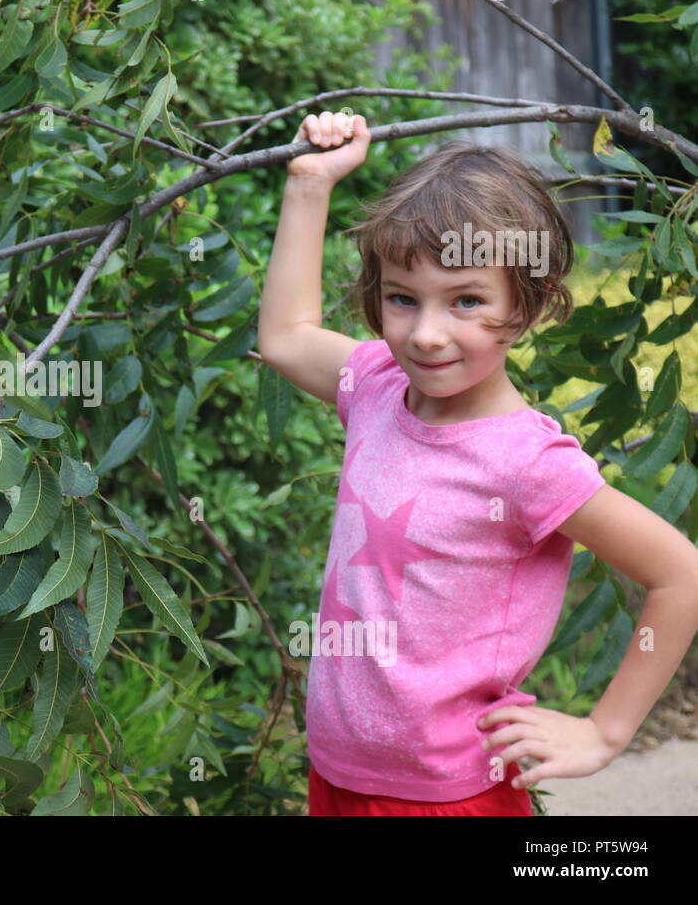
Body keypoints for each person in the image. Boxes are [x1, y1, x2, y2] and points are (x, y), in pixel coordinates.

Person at [256, 111, 698, 815]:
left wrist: (604, 732)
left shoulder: (525, 461)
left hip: (451, 794)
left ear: (525, 308)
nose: (427, 334)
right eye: (403, 299)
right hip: (339, 776)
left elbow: (680, 573)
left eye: (466, 301)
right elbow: (285, 336)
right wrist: (310, 182)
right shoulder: (374, 387)